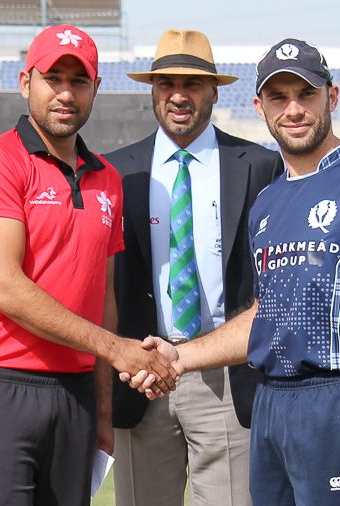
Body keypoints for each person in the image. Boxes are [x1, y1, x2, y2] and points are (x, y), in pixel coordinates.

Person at [124, 38, 340, 505]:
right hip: (271, 405)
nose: (293, 109)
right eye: (279, 97)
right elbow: (268, 317)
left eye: (306, 94)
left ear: (331, 97)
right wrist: (180, 358)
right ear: (260, 107)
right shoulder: (268, 202)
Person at [0, 24, 180, 506]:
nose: (66, 93)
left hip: (75, 397)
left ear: (95, 89)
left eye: (80, 81)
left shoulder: (107, 179)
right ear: (26, 82)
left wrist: (104, 410)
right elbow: (7, 289)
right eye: (54, 78)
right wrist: (119, 350)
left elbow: (103, 296)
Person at [104, 29, 284, 506]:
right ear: (153, 91)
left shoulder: (262, 166)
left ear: (214, 91)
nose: (178, 96)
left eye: (192, 84)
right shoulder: (116, 171)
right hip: (142, 378)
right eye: (166, 84)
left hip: (227, 378)